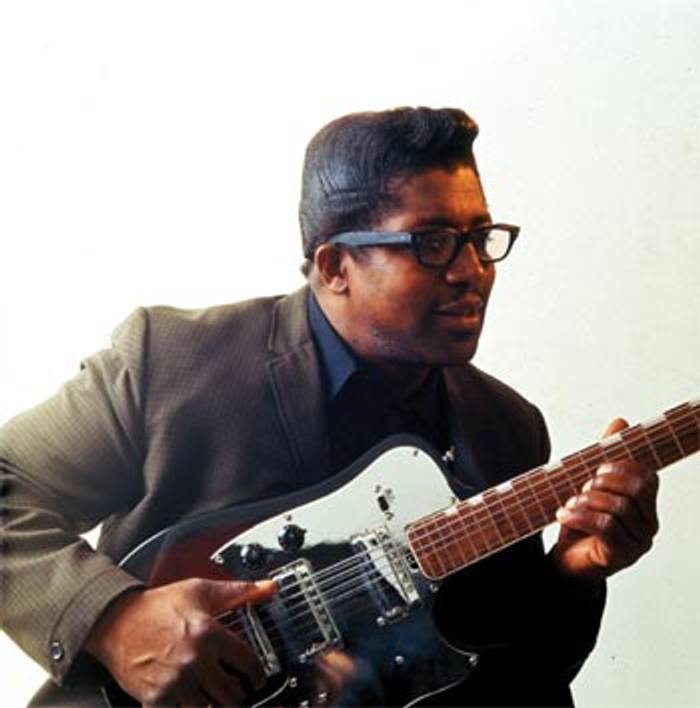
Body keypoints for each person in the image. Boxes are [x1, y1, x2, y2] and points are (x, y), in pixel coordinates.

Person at [0, 107, 659, 707]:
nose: (471, 271)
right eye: (432, 242)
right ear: (335, 265)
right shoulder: (171, 362)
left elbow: (512, 681)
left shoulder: (507, 429)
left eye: (480, 237)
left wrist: (574, 573)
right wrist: (114, 619)